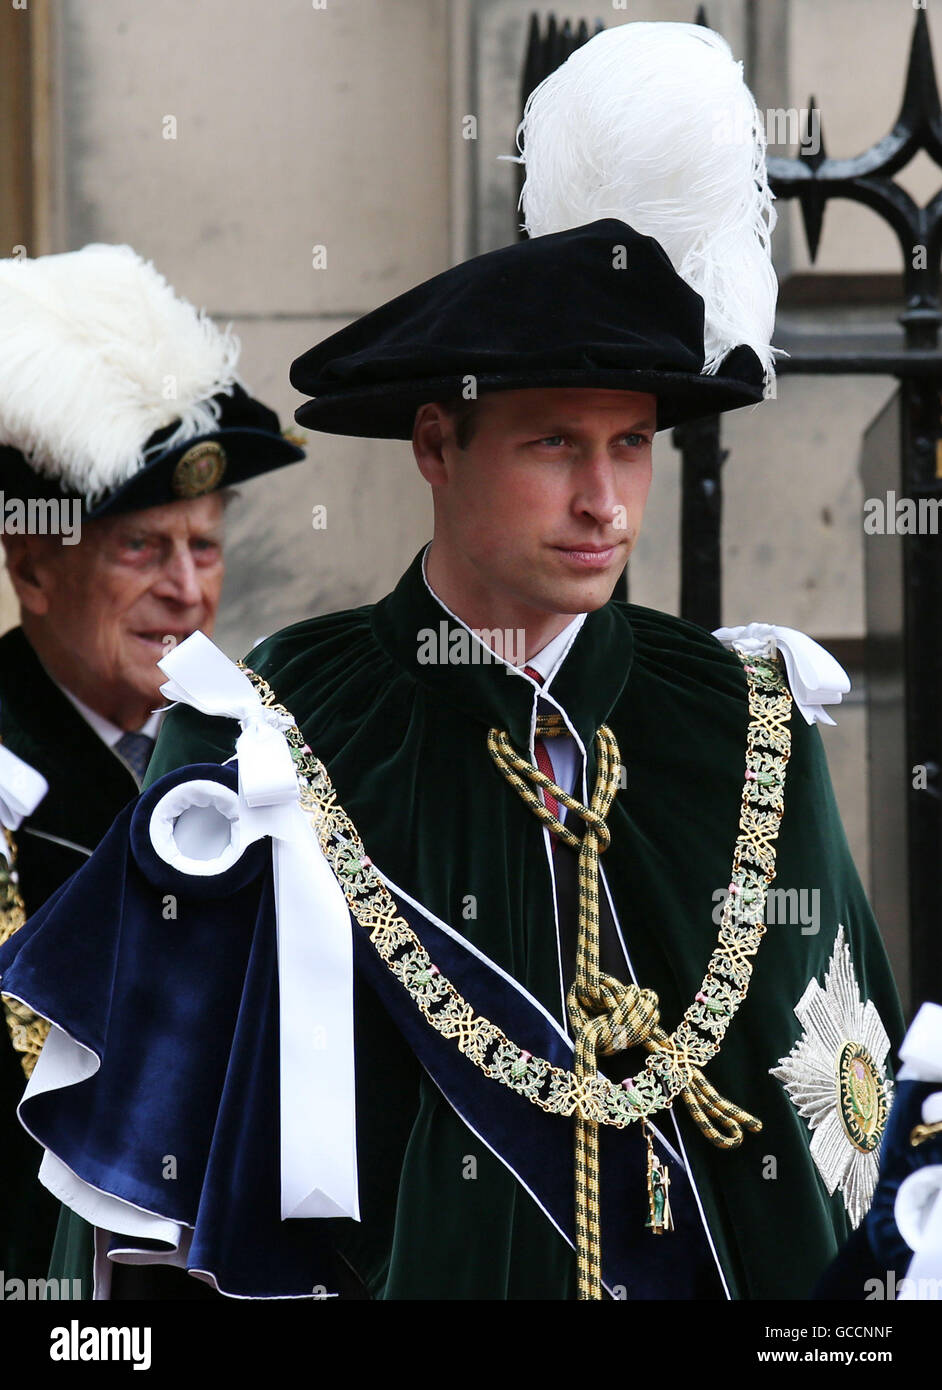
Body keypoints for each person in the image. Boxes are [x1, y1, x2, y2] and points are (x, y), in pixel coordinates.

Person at [0, 23, 905, 1301]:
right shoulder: (262, 742)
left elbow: (846, 1155)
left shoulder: (747, 721)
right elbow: (144, 1219)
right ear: (437, 444)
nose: (607, 501)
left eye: (633, 444)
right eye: (554, 446)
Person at [0, 241, 305, 1284]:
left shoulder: (252, 753)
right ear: (35, 566)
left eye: (204, 547)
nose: (187, 591)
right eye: (142, 548)